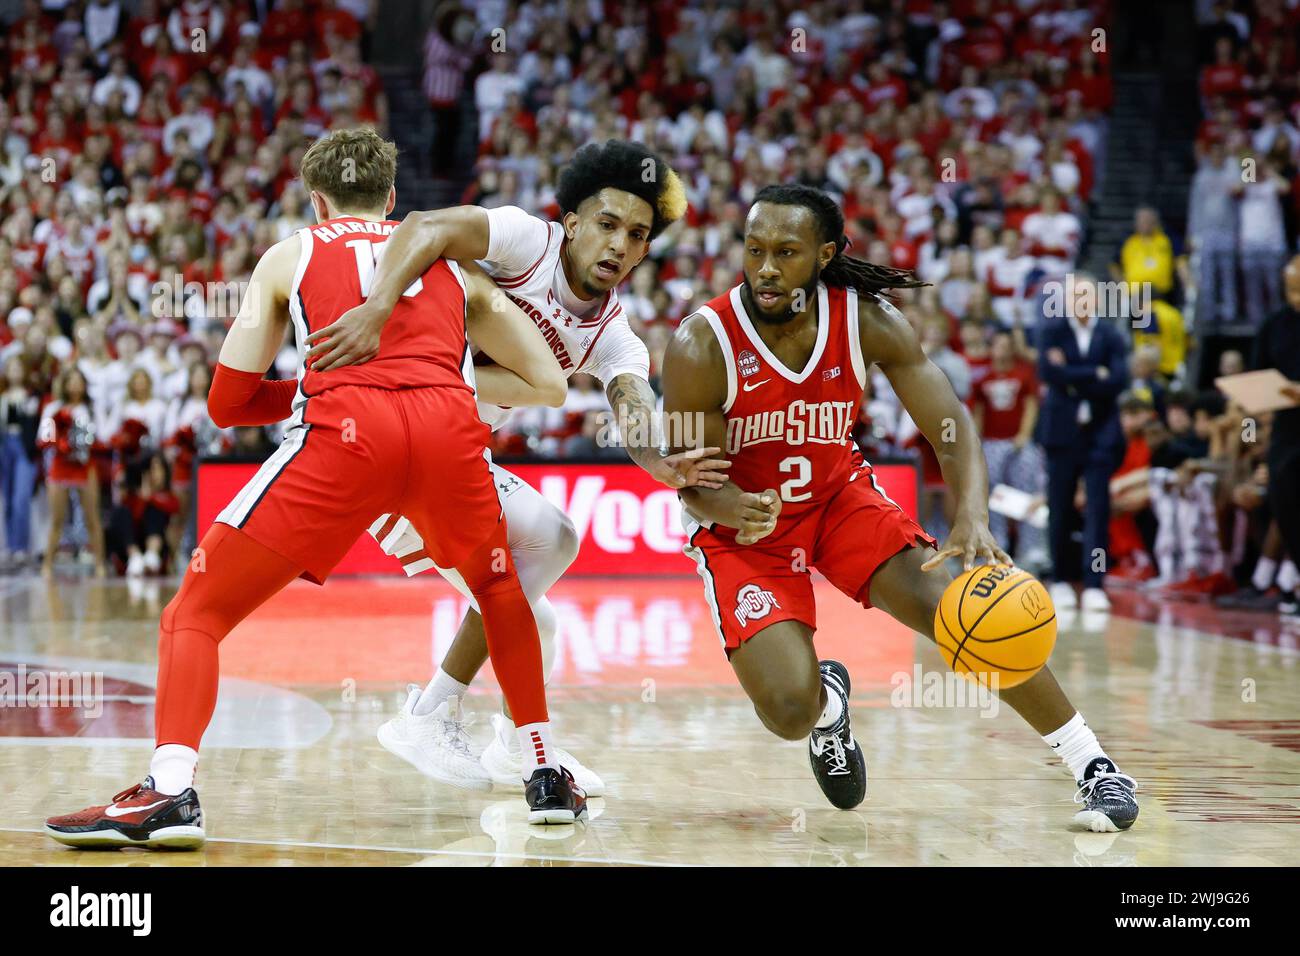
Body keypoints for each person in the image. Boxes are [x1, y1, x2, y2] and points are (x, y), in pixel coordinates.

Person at [45, 127, 580, 849]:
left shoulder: (290, 252)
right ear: (391, 199)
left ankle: (170, 791)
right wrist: (436, 378)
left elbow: (226, 404)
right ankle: (545, 774)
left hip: (348, 437)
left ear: (315, 198)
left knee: (194, 612)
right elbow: (546, 383)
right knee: (500, 588)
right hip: (447, 433)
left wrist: (317, 384)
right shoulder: (453, 265)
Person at [661, 184, 1139, 832]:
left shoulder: (866, 320)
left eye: (786, 251)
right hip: (747, 531)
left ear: (824, 254)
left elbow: (949, 423)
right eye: (753, 249)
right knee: (786, 710)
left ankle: (1094, 765)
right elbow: (692, 483)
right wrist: (731, 503)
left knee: (966, 611)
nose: (766, 267)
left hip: (838, 501)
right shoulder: (703, 342)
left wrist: (971, 512)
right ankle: (825, 705)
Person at [304, 140, 728, 793]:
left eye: (636, 235)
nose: (618, 245)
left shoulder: (616, 337)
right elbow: (420, 226)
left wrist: (665, 462)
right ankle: (444, 722)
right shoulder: (527, 240)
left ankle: (507, 742)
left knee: (541, 591)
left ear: (646, 252)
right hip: (390, 424)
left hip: (450, 447)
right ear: (574, 223)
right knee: (545, 553)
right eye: (608, 225)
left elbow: (635, 410)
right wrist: (378, 308)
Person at [1036, 273, 1131, 612]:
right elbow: (1048, 373)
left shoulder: (1111, 335)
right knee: (1059, 509)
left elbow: (1119, 379)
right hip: (1062, 436)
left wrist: (1074, 375)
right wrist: (1094, 373)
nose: (1081, 302)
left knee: (1098, 511)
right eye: (1075, 296)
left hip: (1101, 436)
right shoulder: (1052, 332)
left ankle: (1094, 583)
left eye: (1086, 296)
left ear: (1098, 300)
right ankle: (1060, 579)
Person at [1253, 256, 1300, 615]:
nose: (1295, 296)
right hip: (1286, 426)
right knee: (1283, 500)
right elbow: (1258, 370)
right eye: (1291, 289)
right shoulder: (1275, 324)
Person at [37, 366, 107, 578]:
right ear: (64, 384)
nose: (75, 385)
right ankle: (48, 564)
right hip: (60, 465)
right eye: (71, 381)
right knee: (57, 518)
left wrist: (84, 443)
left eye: (79, 381)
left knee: (92, 516)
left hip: (85, 466)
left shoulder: (92, 408)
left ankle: (99, 564)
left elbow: (103, 435)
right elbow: (43, 436)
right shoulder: (53, 408)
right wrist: (61, 443)